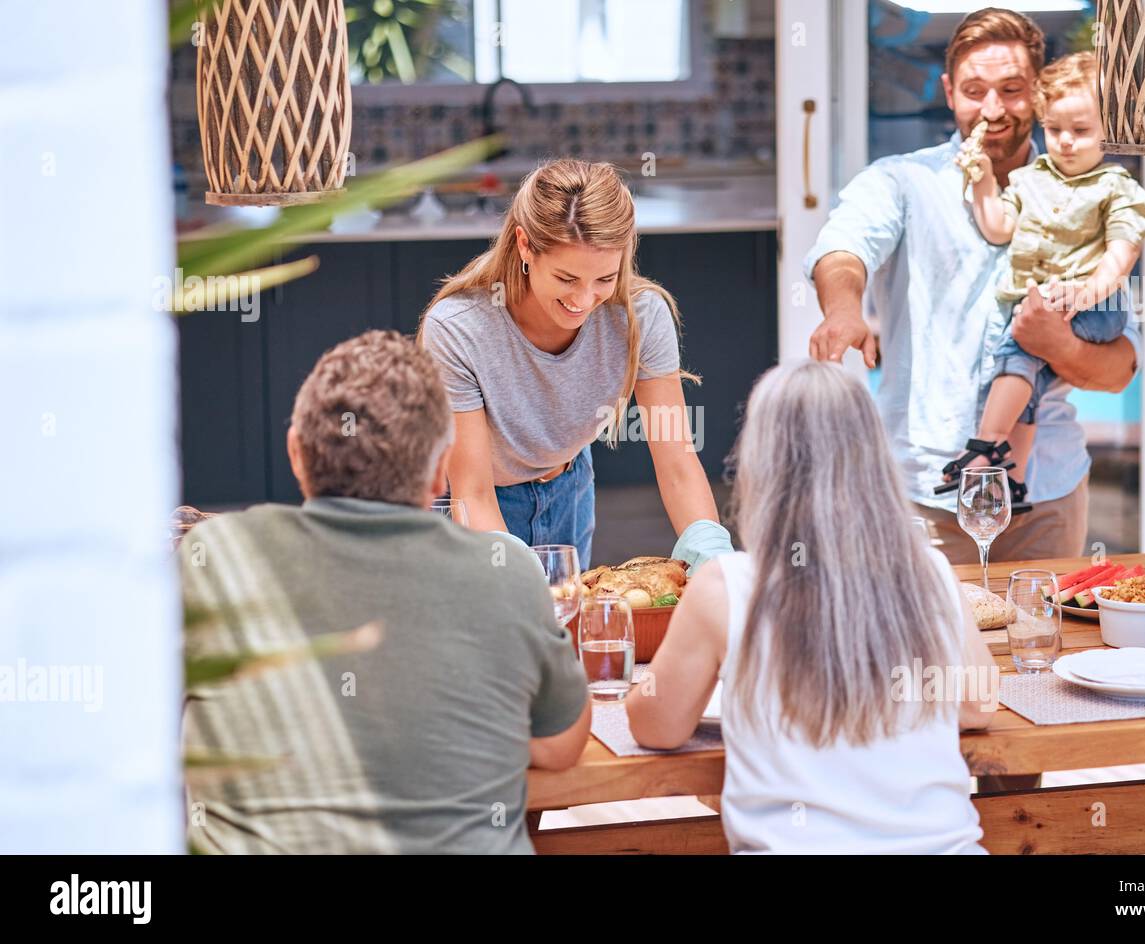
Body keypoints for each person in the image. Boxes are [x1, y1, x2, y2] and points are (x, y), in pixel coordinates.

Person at [180, 330, 590, 854]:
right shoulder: (510, 569)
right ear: (442, 468)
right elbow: (560, 745)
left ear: (296, 454)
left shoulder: (213, 559)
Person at [805, 7, 1143, 563]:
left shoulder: (1088, 200)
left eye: (1011, 90)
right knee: (920, 652)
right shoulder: (901, 181)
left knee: (1041, 645)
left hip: (1046, 496)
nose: (992, 109)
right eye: (974, 90)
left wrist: (1057, 345)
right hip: (919, 501)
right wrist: (844, 309)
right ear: (948, 91)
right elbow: (843, 248)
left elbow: (1120, 368)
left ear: (1037, 92)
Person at [626, 360, 999, 854]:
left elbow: (657, 726)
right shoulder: (928, 571)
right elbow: (978, 706)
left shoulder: (726, 586)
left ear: (760, 465)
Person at [417, 158, 731, 571]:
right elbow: (472, 492)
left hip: (569, 490)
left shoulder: (641, 316)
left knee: (567, 630)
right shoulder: (459, 329)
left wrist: (713, 559)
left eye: (604, 279)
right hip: (472, 502)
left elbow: (677, 462)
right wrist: (518, 586)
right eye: (566, 279)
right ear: (525, 245)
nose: (583, 300)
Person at [936, 51, 1145, 512]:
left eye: (1081, 131)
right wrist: (979, 182)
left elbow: (1122, 253)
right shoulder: (1031, 179)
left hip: (1095, 307)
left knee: (1017, 350)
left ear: (1108, 131)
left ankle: (986, 443)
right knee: (1030, 382)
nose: (1066, 143)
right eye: (1054, 131)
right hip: (1047, 301)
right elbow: (997, 226)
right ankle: (1013, 480)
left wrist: (1086, 291)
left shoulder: (1115, 186)